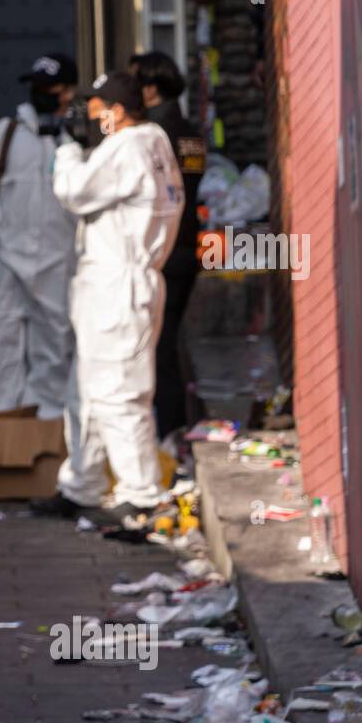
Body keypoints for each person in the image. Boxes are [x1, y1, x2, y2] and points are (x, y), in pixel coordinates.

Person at [37, 71, 185, 522]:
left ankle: (141, 496)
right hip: (116, 282)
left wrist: (65, 150)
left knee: (119, 393)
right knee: (86, 391)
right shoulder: (153, 138)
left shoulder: (129, 145)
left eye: (96, 106)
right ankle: (83, 484)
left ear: (117, 111)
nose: (88, 115)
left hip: (119, 285)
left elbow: (74, 190)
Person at [0, 53, 79, 418]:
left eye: (51, 88)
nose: (42, 95)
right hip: (7, 258)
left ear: (68, 92)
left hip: (60, 260)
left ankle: (47, 427)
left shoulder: (78, 137)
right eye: (38, 87)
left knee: (56, 347)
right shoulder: (6, 133)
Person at [129, 51, 206, 443]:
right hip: (186, 247)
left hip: (162, 252)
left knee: (158, 349)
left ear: (150, 87)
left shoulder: (150, 135)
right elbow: (192, 184)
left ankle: (172, 431)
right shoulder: (190, 131)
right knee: (171, 342)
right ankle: (184, 423)